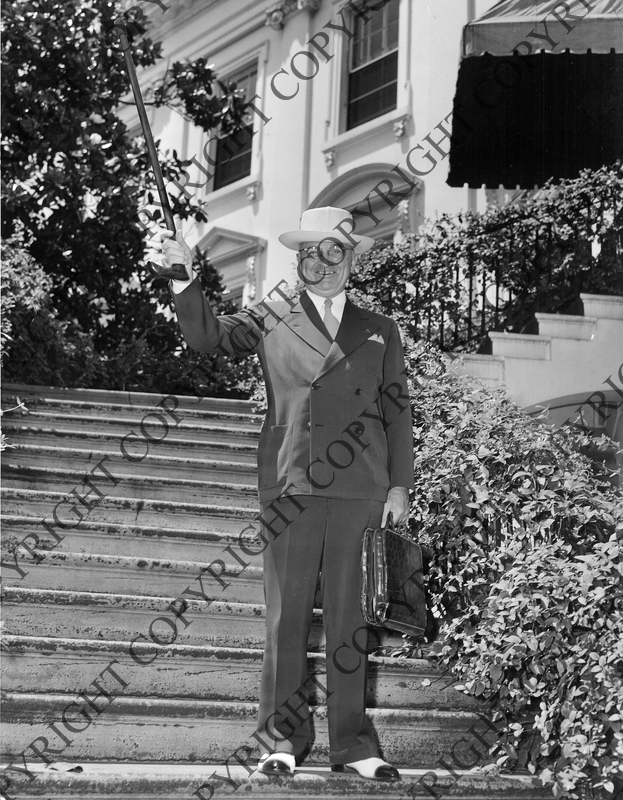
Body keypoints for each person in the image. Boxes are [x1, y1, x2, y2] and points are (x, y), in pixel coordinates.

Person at [160, 206, 414, 782]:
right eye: (308, 251)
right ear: (298, 259)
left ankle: (354, 745)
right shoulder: (271, 316)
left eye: (331, 251)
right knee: (286, 617)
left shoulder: (380, 328)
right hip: (292, 480)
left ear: (350, 259)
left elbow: (397, 410)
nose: (318, 262)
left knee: (352, 620)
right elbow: (208, 339)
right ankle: (281, 739)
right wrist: (183, 277)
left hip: (361, 484)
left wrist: (400, 485)